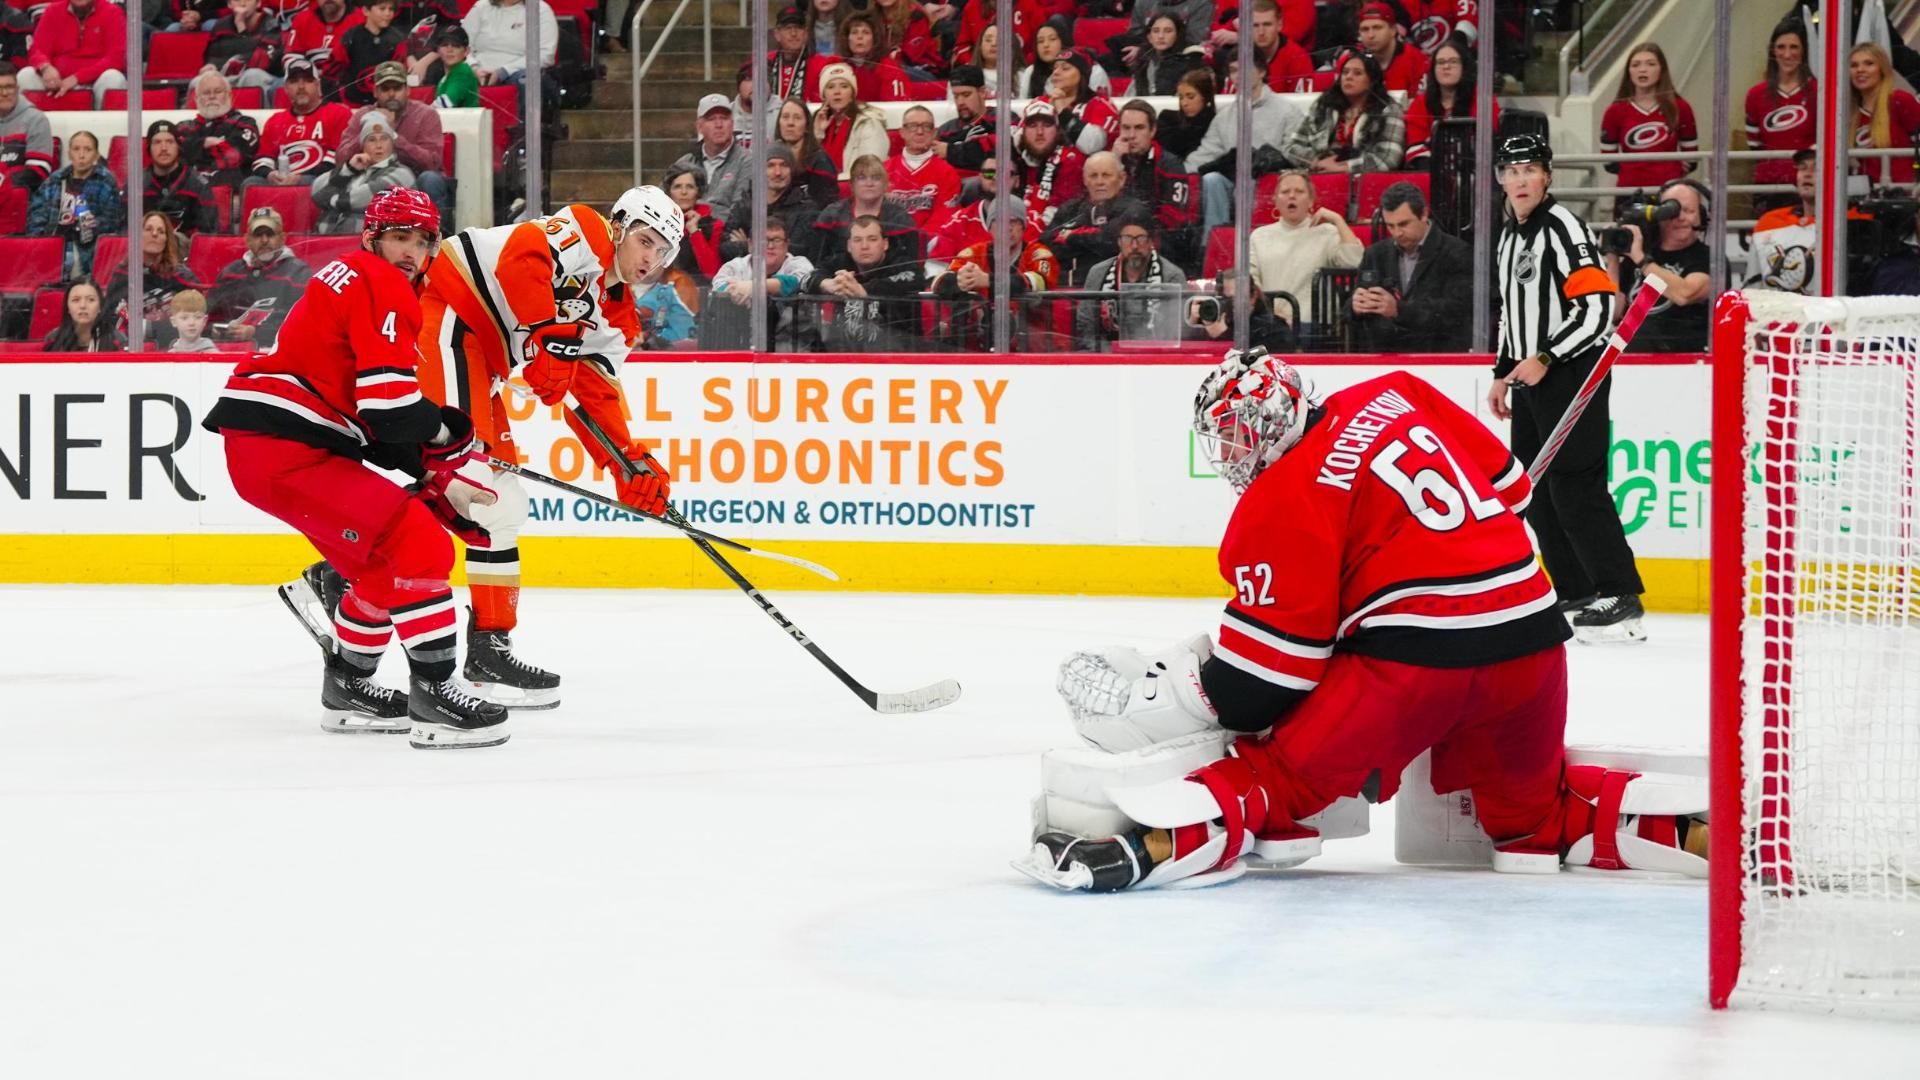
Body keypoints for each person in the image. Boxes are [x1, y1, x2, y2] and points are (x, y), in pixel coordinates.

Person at [1015, 348, 1703, 893]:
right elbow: (1515, 489)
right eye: (1223, 438)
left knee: (1272, 782)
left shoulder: (1279, 499)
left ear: (1274, 424)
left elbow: (1268, 680)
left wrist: (1178, 697)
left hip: (1413, 672)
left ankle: (1136, 848)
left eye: (1239, 435)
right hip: (1532, 645)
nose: (1232, 452)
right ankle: (1717, 839)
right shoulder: (1400, 389)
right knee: (1534, 821)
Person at [205, 189, 510, 748]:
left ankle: (349, 687)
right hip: (285, 447)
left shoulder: (346, 275)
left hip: (276, 446)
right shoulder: (382, 282)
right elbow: (390, 412)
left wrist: (429, 469)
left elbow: (371, 421)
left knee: (379, 565)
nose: (411, 253)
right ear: (372, 238)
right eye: (400, 237)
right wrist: (447, 437)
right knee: (422, 545)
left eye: (422, 242)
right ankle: (436, 696)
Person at [411, 188, 682, 708]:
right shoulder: (586, 229)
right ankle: (349, 577)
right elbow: (523, 258)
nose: (649, 258)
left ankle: (489, 645)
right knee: (471, 485)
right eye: (645, 240)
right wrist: (543, 332)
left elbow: (593, 395)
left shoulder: (620, 319)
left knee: (502, 504)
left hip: (483, 356)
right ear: (620, 225)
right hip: (449, 315)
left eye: (662, 252)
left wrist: (627, 463)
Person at [1486, 134, 1644, 643]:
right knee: (1531, 488)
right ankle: (1575, 588)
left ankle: (1620, 591)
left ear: (1547, 175)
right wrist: (1502, 370)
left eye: (1528, 169)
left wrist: (1546, 357)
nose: (1519, 180)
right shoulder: (1510, 234)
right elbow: (1512, 312)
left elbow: (1598, 311)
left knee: (1575, 483)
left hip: (1575, 373)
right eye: (1510, 171)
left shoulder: (1564, 228)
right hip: (1532, 375)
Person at [1350, 181, 1472, 351]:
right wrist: (1355, 306)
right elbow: (1348, 313)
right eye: (1390, 226)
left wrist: (1399, 310)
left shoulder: (1456, 252)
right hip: (1385, 357)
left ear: (1424, 214)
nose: (1396, 233)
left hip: (1437, 358)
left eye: (1403, 224)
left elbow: (1457, 313)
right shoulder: (1375, 254)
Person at [931, 196, 1063, 349]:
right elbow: (938, 282)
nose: (1007, 227)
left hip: (1035, 346)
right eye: (999, 221)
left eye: (1013, 221)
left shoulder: (1039, 254)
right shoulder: (973, 253)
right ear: (989, 227)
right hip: (979, 347)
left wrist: (988, 280)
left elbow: (1038, 282)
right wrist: (959, 281)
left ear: (1024, 226)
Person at [1190, 57, 1304, 232]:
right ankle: (1213, 245)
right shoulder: (1225, 116)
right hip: (1236, 184)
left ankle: (1252, 240)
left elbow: (1298, 154)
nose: (1239, 75)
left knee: (1249, 181)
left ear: (1261, 72)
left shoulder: (1288, 110)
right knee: (1211, 180)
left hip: (1272, 181)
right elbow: (1206, 153)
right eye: (1234, 70)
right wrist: (1182, 171)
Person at [340, 62, 453, 227]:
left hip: (415, 181)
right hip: (373, 178)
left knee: (431, 179)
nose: (392, 94)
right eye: (385, 89)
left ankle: (438, 239)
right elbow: (340, 158)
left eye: (397, 88)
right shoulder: (363, 115)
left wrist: (392, 135)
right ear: (376, 92)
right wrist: (367, 132)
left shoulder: (425, 114)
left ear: (407, 90)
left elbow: (432, 162)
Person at [1248, 170, 1363, 327]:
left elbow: (1355, 262)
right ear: (1275, 200)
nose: (1292, 196)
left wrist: (1338, 220)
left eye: (1299, 191)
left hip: (1314, 327)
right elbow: (1250, 281)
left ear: (1310, 201)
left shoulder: (1326, 232)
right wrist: (1270, 313)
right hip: (1271, 323)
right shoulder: (1259, 236)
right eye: (1285, 192)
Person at [1610, 178, 1711, 353]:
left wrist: (1642, 260)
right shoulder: (1637, 255)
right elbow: (1613, 312)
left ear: (1700, 215)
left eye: (1688, 211)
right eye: (1671, 211)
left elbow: (1684, 293)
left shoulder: (1708, 258)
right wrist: (1612, 257)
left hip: (1684, 359)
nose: (1680, 218)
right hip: (1630, 356)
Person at [806, 214, 925, 350]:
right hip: (843, 356)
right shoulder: (840, 262)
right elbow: (807, 278)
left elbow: (917, 278)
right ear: (849, 246)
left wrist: (866, 290)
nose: (864, 246)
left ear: (885, 244)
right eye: (857, 240)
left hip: (896, 357)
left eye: (872, 239)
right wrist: (828, 284)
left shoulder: (900, 262)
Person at [1281, 49, 1407, 175]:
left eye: (1357, 73)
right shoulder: (1324, 105)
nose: (1348, 77)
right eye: (1345, 72)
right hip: (1319, 174)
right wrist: (1317, 162)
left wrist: (1346, 167)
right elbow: (1292, 148)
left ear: (1372, 80)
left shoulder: (1388, 110)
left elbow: (1389, 158)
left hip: (1365, 180)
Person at [1075, 212, 1187, 345]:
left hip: (1155, 355)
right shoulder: (1098, 273)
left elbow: (1178, 329)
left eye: (1140, 238)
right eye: (1128, 238)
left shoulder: (1172, 276)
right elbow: (1086, 324)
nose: (1134, 246)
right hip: (1108, 357)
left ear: (1151, 242)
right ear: (1119, 242)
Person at [209, 207, 313, 346]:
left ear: (282, 238)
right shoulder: (230, 272)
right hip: (227, 352)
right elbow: (211, 317)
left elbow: (302, 323)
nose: (264, 240)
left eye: (270, 234)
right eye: (258, 235)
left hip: (278, 352)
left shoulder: (299, 273)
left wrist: (256, 333)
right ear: (248, 240)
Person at [28, 130, 122, 284]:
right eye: (76, 149)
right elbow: (37, 214)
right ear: (69, 153)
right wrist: (40, 243)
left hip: (88, 250)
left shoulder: (106, 181)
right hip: (53, 249)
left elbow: (111, 222)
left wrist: (83, 226)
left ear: (96, 155)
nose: (82, 155)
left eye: (87, 149)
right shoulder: (55, 179)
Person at [1600, 43, 1698, 190]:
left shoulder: (1680, 107)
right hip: (1629, 192)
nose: (1642, 70)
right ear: (1629, 72)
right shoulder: (1614, 111)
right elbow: (1608, 161)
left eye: (1651, 64)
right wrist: (1633, 174)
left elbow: (1692, 157)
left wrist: (1670, 173)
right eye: (1635, 65)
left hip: (1669, 191)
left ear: (1661, 70)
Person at [709, 214, 816, 348]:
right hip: (739, 343)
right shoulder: (735, 267)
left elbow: (798, 282)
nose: (770, 246)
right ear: (750, 244)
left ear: (787, 245)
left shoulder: (799, 264)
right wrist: (734, 291)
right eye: (763, 240)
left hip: (792, 346)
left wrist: (754, 287)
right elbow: (718, 288)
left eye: (777, 240)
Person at [1043, 151, 1149, 285]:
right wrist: (1090, 241)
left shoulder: (1134, 210)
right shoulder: (1070, 209)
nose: (1099, 182)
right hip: (1068, 290)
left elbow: (1111, 242)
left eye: (1106, 175)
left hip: (1115, 290)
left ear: (1122, 179)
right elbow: (1046, 243)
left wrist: (1071, 237)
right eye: (1093, 176)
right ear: (1085, 180)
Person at [250, 57, 354, 192]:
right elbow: (263, 158)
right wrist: (270, 174)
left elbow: (336, 160)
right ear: (286, 88)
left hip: (321, 182)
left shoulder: (339, 113)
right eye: (294, 81)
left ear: (318, 85)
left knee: (321, 181)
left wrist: (300, 178)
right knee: (251, 183)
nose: (301, 87)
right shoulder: (275, 120)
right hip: (282, 181)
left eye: (308, 80)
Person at [104, 211, 205, 348]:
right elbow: (110, 318)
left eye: (161, 231)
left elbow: (200, 309)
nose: (155, 234)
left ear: (166, 240)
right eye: (148, 229)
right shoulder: (122, 275)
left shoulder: (181, 276)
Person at [313, 112, 418, 234]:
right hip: (326, 242)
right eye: (372, 140)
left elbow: (362, 198)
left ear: (392, 144)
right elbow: (316, 191)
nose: (379, 145)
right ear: (363, 146)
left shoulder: (402, 174)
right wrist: (348, 169)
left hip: (366, 244)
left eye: (384, 139)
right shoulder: (354, 169)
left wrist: (329, 199)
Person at [1745, 21, 1816, 199]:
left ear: (1804, 51)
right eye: (1781, 47)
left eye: (1794, 47)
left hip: (1810, 185)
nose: (1787, 54)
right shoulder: (1755, 94)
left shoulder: (1820, 91)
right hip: (1768, 186)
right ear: (1772, 51)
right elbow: (1755, 146)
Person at [1404, 35, 1497, 167]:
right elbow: (1415, 147)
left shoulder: (1484, 100)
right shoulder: (1420, 103)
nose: (1446, 67)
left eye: (1453, 61)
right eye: (1440, 62)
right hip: (1432, 171)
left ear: (1464, 67)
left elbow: (1488, 143)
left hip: (1474, 169)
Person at [17, 0, 128, 109]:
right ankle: (34, 124)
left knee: (114, 77)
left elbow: (116, 58)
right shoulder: (53, 11)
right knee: (26, 75)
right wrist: (45, 67)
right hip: (56, 81)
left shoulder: (112, 12)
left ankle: (100, 125)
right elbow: (37, 50)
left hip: (94, 81)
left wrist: (77, 78)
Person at [810, 153, 920, 262]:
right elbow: (817, 261)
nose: (869, 183)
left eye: (876, 178)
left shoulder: (899, 218)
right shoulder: (832, 215)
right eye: (862, 178)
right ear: (852, 184)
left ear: (885, 184)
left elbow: (911, 266)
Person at [177, 71, 263, 194]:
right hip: (189, 194)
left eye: (217, 91)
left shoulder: (245, 123)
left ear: (229, 96)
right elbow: (175, 155)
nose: (212, 96)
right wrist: (207, 142)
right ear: (196, 99)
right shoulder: (184, 127)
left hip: (228, 192)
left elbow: (234, 156)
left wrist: (196, 148)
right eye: (206, 93)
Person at [672, 94, 751, 227]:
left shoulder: (747, 161)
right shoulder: (685, 163)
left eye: (724, 118)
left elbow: (740, 211)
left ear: (732, 124)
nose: (719, 125)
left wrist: (700, 217)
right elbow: (663, 201)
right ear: (699, 126)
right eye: (711, 119)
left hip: (725, 235)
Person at [1746, 149, 1818, 294]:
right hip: (1777, 312)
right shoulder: (1769, 222)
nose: (1807, 173)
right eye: (1802, 168)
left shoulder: (1849, 224)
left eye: (1816, 168)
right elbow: (1752, 287)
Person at [1849, 42, 1920, 185]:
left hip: (1905, 193)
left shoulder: (1900, 101)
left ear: (1882, 69)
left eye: (1868, 64)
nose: (1860, 70)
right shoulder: (1848, 112)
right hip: (1866, 197)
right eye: (1854, 65)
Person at [1012, 99, 1087, 228]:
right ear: (1022, 132)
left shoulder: (1071, 161)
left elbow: (1054, 222)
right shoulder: (1018, 161)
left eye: (1047, 125)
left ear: (1058, 130)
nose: (1040, 132)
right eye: (1033, 125)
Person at [884, 106, 959, 236]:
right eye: (913, 126)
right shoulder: (884, 170)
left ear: (934, 133)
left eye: (926, 126)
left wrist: (918, 242)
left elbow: (944, 219)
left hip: (927, 245)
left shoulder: (947, 172)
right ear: (902, 132)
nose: (920, 131)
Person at [660, 163, 726, 302]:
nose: (684, 192)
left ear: (698, 192)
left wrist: (694, 232)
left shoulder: (714, 225)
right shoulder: (658, 224)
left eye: (690, 187)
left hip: (700, 296)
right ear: (669, 192)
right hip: (660, 295)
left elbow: (711, 272)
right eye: (677, 187)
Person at [812, 62, 888, 181]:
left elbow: (871, 169)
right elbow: (807, 168)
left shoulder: (868, 123)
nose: (837, 91)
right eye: (831, 87)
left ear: (852, 94)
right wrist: (818, 135)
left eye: (844, 86)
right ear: (824, 95)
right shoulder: (816, 122)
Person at [461, 0, 558, 88]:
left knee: (525, 80)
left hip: (516, 72)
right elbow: (460, 45)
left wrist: (503, 71)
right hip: (477, 70)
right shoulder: (481, 6)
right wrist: (474, 68)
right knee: (458, 76)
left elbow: (546, 54)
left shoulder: (540, 10)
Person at [145, 121, 217, 237]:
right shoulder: (136, 186)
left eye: (169, 142)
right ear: (149, 148)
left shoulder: (198, 185)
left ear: (178, 147)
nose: (164, 148)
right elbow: (124, 232)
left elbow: (206, 235)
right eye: (157, 142)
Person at [1048, 49, 1121, 156]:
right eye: (1054, 68)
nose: (1056, 72)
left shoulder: (1099, 104)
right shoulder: (1040, 103)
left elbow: (1092, 146)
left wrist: (1063, 111)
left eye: (1065, 68)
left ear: (1082, 74)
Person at [1020, 18, 1114, 100]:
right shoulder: (1031, 71)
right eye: (1040, 41)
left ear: (1064, 41)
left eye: (1052, 39)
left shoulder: (1093, 70)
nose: (1046, 45)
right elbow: (1021, 105)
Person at [204, 0, 284, 95]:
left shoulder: (271, 25)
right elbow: (213, 56)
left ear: (258, 3)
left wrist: (241, 27)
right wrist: (211, 66)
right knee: (201, 80)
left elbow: (260, 61)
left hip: (266, 76)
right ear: (229, 4)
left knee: (251, 75)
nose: (242, 4)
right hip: (229, 76)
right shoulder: (221, 25)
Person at [336, 0, 406, 105]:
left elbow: (400, 72)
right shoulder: (350, 37)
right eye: (382, 9)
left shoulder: (397, 39)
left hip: (384, 103)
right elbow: (333, 70)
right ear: (366, 11)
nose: (388, 13)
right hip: (351, 102)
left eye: (391, 9)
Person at [774, 96, 840, 205]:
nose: (790, 123)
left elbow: (826, 207)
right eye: (785, 117)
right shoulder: (769, 160)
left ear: (806, 126)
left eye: (797, 118)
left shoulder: (820, 162)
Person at [285, 0, 364, 91]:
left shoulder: (361, 19)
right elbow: (290, 58)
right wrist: (312, 77)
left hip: (347, 86)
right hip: (310, 84)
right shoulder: (302, 18)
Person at [933, 65, 997, 175]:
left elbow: (1000, 152)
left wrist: (951, 152)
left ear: (982, 92)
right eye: (956, 96)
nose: (960, 102)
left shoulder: (1003, 119)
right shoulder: (946, 129)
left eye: (966, 95)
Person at [0, 62, 53, 194]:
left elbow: (39, 171)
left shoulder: (36, 120)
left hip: (20, 199)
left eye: (9, 87)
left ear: (17, 89)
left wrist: (3, 183)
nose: (4, 93)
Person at [1355, 1, 1428, 93]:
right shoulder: (1354, 59)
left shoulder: (1416, 61)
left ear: (1393, 30)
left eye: (1377, 28)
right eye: (1365, 29)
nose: (1371, 35)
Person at [834, 12, 908, 102]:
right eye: (854, 32)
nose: (859, 37)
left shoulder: (888, 68)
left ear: (875, 39)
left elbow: (893, 107)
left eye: (866, 32)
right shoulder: (837, 66)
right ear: (846, 38)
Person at [1129, 13, 1204, 96]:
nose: (1161, 36)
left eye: (1168, 31)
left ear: (1177, 35)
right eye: (1156, 31)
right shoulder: (1143, 63)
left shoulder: (1190, 60)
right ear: (1149, 37)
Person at [42, 278, 124, 352]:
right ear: (68, 308)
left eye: (91, 300)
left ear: (100, 307)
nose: (83, 305)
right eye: (76, 300)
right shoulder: (54, 340)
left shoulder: (116, 340)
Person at [1156, 68, 1216, 163]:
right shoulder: (1168, 120)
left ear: (1205, 96)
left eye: (1190, 97)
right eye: (1181, 97)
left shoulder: (1216, 124)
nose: (1184, 103)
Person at [430, 25, 481, 107]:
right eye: (444, 45)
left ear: (466, 51)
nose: (449, 50)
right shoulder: (444, 78)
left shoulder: (463, 71)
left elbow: (445, 104)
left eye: (456, 45)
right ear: (438, 50)